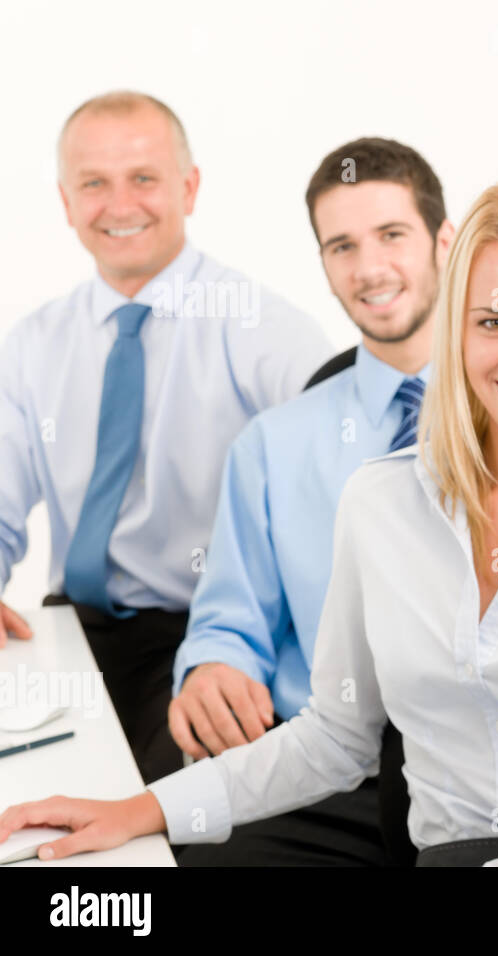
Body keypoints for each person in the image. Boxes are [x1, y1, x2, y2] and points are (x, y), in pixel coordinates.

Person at [0, 180, 498, 867]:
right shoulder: (383, 501)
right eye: (493, 322)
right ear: (456, 331)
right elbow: (335, 737)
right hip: (437, 854)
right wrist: (143, 808)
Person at [0, 91, 331, 784]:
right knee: (30, 791)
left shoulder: (265, 333)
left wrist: (241, 647)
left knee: (166, 817)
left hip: (210, 634)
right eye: (94, 183)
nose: (120, 205)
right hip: (70, 627)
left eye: (144, 178)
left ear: (189, 187)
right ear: (65, 202)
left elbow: (343, 502)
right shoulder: (33, 345)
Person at [164, 138, 456, 866]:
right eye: (342, 246)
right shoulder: (272, 444)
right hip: (329, 774)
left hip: (487, 780)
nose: (369, 269)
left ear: (444, 242)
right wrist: (213, 667)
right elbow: (231, 618)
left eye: (392, 235)